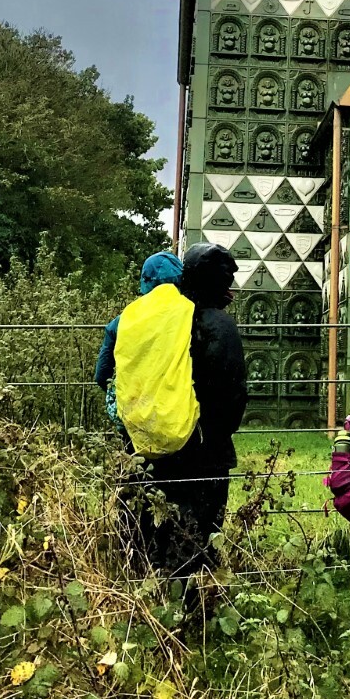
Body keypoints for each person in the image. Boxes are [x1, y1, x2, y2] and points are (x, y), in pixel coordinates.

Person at [115, 244, 247, 578]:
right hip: (204, 450)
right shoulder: (218, 325)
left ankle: (139, 605)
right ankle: (192, 613)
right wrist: (216, 435)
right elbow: (232, 394)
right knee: (196, 542)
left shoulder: (157, 318)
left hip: (146, 444)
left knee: (146, 539)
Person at [95, 251, 185, 438]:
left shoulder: (123, 321)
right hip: (177, 421)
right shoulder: (189, 317)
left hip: (134, 419)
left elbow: (102, 374)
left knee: (138, 466)